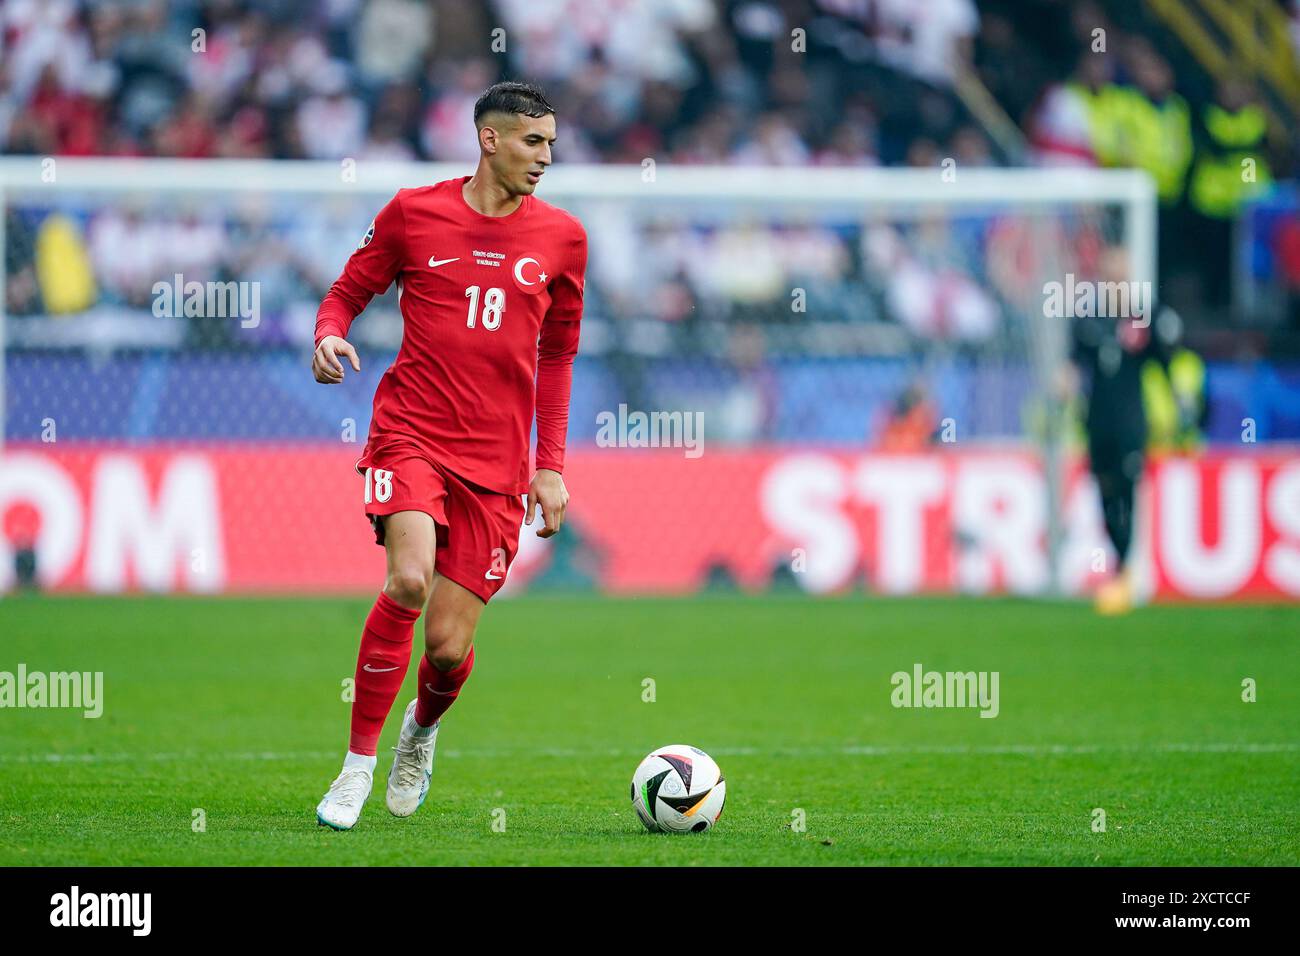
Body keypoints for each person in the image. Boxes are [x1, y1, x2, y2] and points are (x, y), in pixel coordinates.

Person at [310, 81, 588, 830]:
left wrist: (550, 463)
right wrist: (328, 333)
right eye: (533, 142)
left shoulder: (564, 239)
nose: (546, 157)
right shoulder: (412, 212)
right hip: (410, 433)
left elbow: (558, 356)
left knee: (445, 646)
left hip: (496, 464)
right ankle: (356, 768)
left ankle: (420, 732)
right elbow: (345, 293)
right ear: (489, 140)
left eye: (552, 143)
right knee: (407, 579)